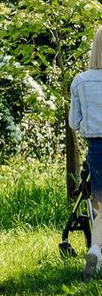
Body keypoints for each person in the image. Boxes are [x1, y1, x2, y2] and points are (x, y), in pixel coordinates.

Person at [68, 25, 102, 278]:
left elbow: (74, 123)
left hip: (97, 147)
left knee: (101, 206)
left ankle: (96, 251)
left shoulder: (81, 81)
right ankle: (95, 251)